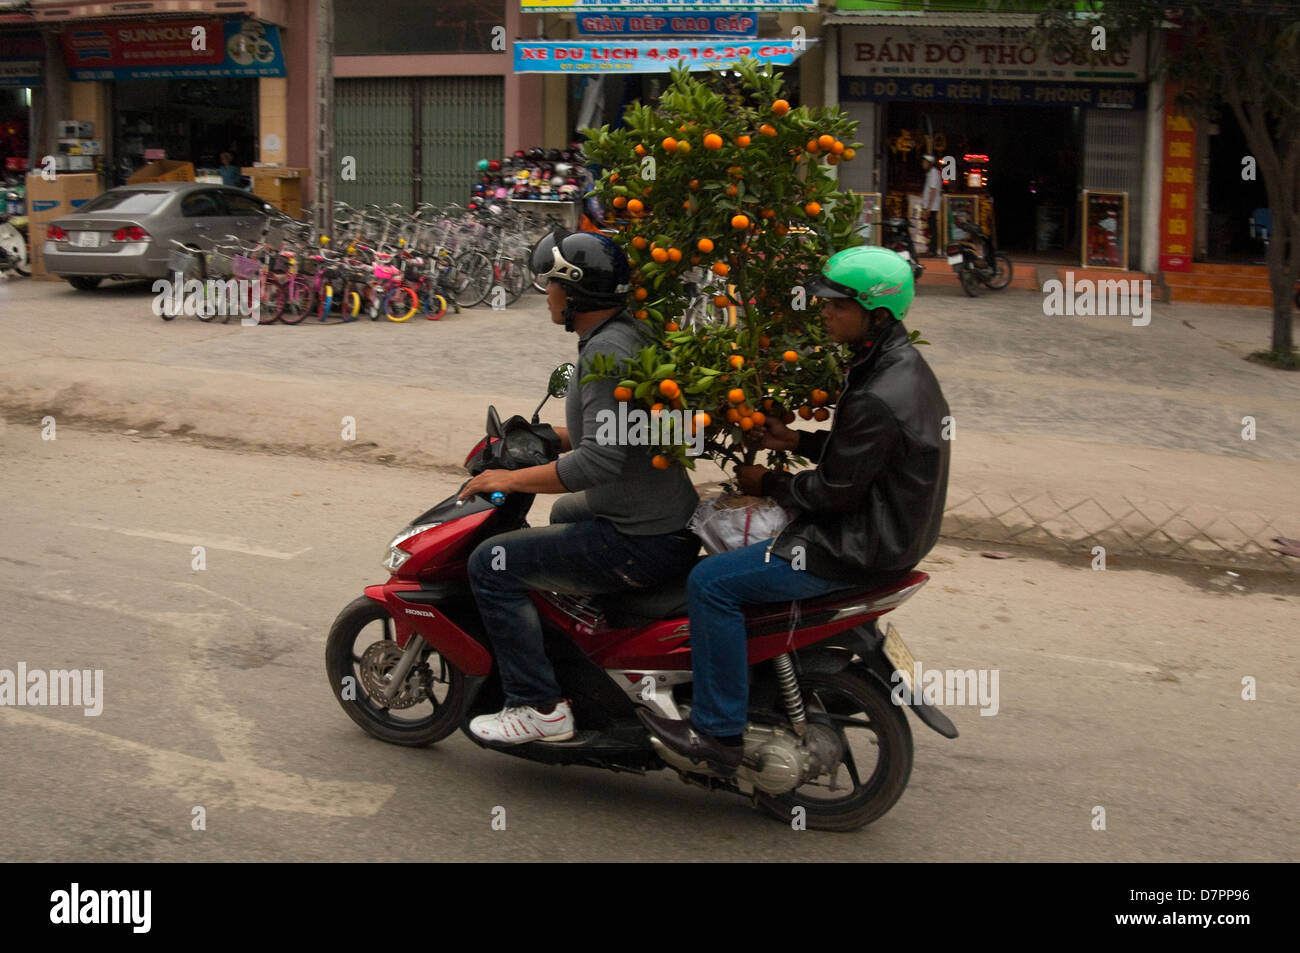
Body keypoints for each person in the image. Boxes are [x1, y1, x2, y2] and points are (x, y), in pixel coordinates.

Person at [638, 246, 950, 775]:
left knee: (711, 583)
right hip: (885, 533)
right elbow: (864, 456)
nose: (823, 311)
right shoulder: (896, 367)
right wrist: (799, 438)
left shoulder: (878, 390)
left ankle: (716, 731)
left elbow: (832, 492)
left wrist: (772, 481)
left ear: (876, 314)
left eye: (836, 305)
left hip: (851, 546)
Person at [458, 231, 700, 744]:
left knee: (490, 564)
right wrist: (548, 437)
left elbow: (598, 462)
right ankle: (591, 647)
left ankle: (537, 706)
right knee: (566, 514)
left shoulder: (603, 356)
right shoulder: (629, 333)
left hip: (639, 542)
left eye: (550, 285)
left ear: (575, 294)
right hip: (664, 517)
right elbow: (620, 431)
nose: (546, 294)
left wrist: (510, 476)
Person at [921, 153, 942, 256]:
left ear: (929, 163)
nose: (923, 164)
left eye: (924, 162)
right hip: (929, 206)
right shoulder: (929, 173)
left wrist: (928, 207)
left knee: (933, 228)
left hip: (932, 206)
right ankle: (931, 248)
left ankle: (933, 250)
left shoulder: (933, 173)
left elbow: (933, 190)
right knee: (930, 227)